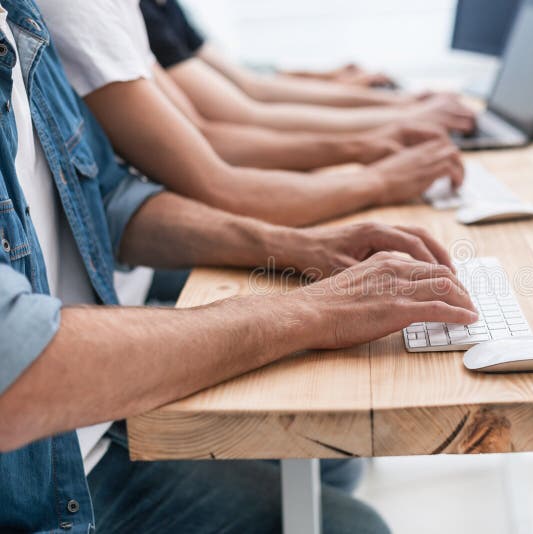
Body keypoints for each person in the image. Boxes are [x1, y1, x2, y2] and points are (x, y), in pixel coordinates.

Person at [0, 1, 478, 532]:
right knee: (349, 524)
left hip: (85, 425)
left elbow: (110, 200)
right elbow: (16, 362)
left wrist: (299, 246)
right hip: (37, 485)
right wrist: (311, 310)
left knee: (331, 462)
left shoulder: (20, 19)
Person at [37, 0, 466, 221]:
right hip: (134, 276)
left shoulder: (123, 7)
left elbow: (214, 121)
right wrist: (377, 168)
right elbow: (220, 165)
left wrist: (382, 132)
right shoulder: (84, 10)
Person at [139, 0, 478, 134]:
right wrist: (403, 115)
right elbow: (248, 111)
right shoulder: (141, 15)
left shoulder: (165, 6)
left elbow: (252, 83)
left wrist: (402, 103)